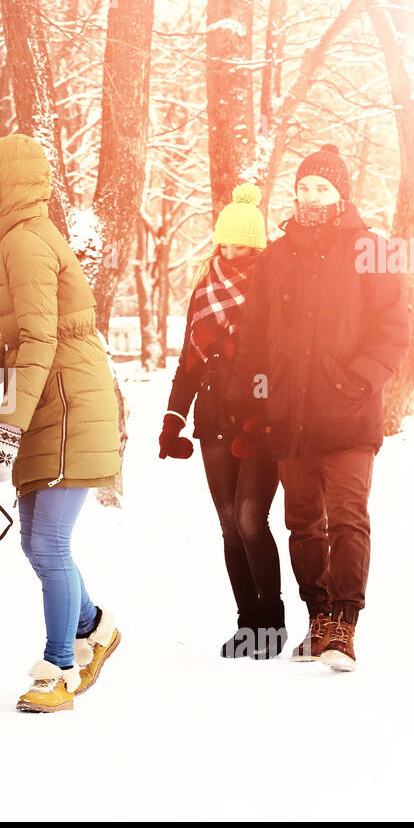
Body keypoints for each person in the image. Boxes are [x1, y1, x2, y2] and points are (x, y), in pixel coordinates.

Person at [230, 145, 409, 672]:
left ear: (342, 194)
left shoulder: (372, 250)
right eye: (304, 187)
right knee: (303, 522)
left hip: (350, 415)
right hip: (290, 417)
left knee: (349, 518)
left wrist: (358, 381)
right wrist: (260, 400)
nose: (311, 197)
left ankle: (344, 624)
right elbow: (254, 340)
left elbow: (394, 332)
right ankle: (318, 617)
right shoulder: (276, 258)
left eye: (322, 188)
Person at [0, 134, 121, 713]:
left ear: (5, 187)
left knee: (50, 543)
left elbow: (42, 339)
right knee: (36, 542)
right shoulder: (22, 238)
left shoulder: (25, 243)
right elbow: (32, 330)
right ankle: (94, 625)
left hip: (63, 406)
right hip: (53, 400)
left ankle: (59, 667)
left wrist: (8, 425)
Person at [160, 183, 284, 659]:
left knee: (253, 519)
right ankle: (247, 624)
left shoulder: (272, 289)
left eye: (242, 245)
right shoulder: (204, 288)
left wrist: (260, 412)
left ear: (257, 245)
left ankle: (271, 621)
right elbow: (189, 361)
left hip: (257, 424)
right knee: (231, 523)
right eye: (225, 243)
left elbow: (276, 361)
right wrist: (173, 417)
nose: (232, 253)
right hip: (211, 419)